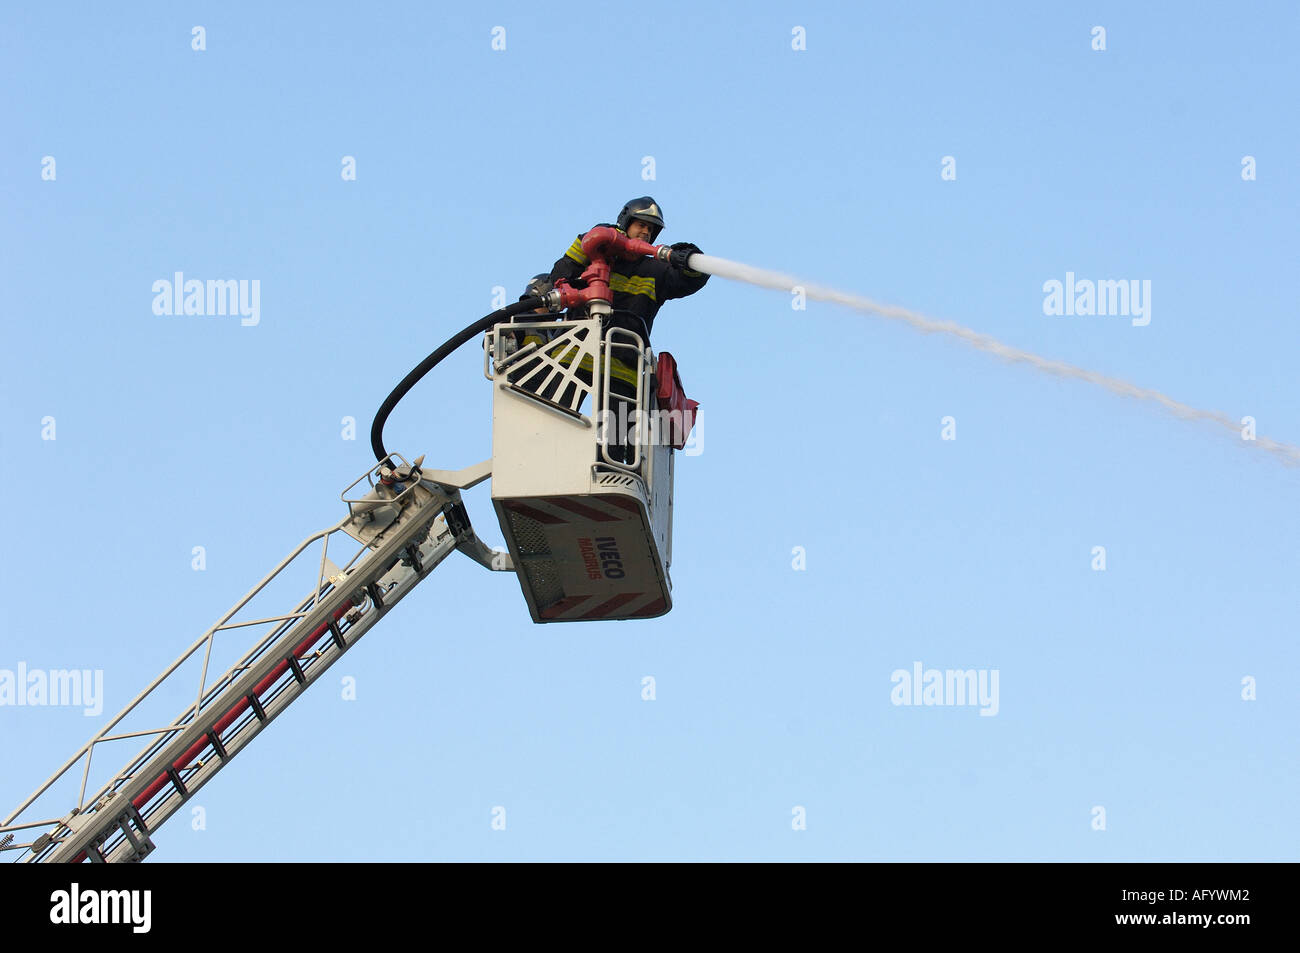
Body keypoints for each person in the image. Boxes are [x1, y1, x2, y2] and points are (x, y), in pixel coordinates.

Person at [544, 197, 709, 462]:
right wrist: (598, 239)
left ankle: (608, 474)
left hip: (623, 367)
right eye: (640, 225)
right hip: (576, 354)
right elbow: (563, 269)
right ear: (625, 223)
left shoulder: (656, 271)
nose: (645, 232)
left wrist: (686, 254)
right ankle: (548, 462)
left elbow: (694, 278)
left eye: (650, 229)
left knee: (615, 446)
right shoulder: (598, 248)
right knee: (550, 419)